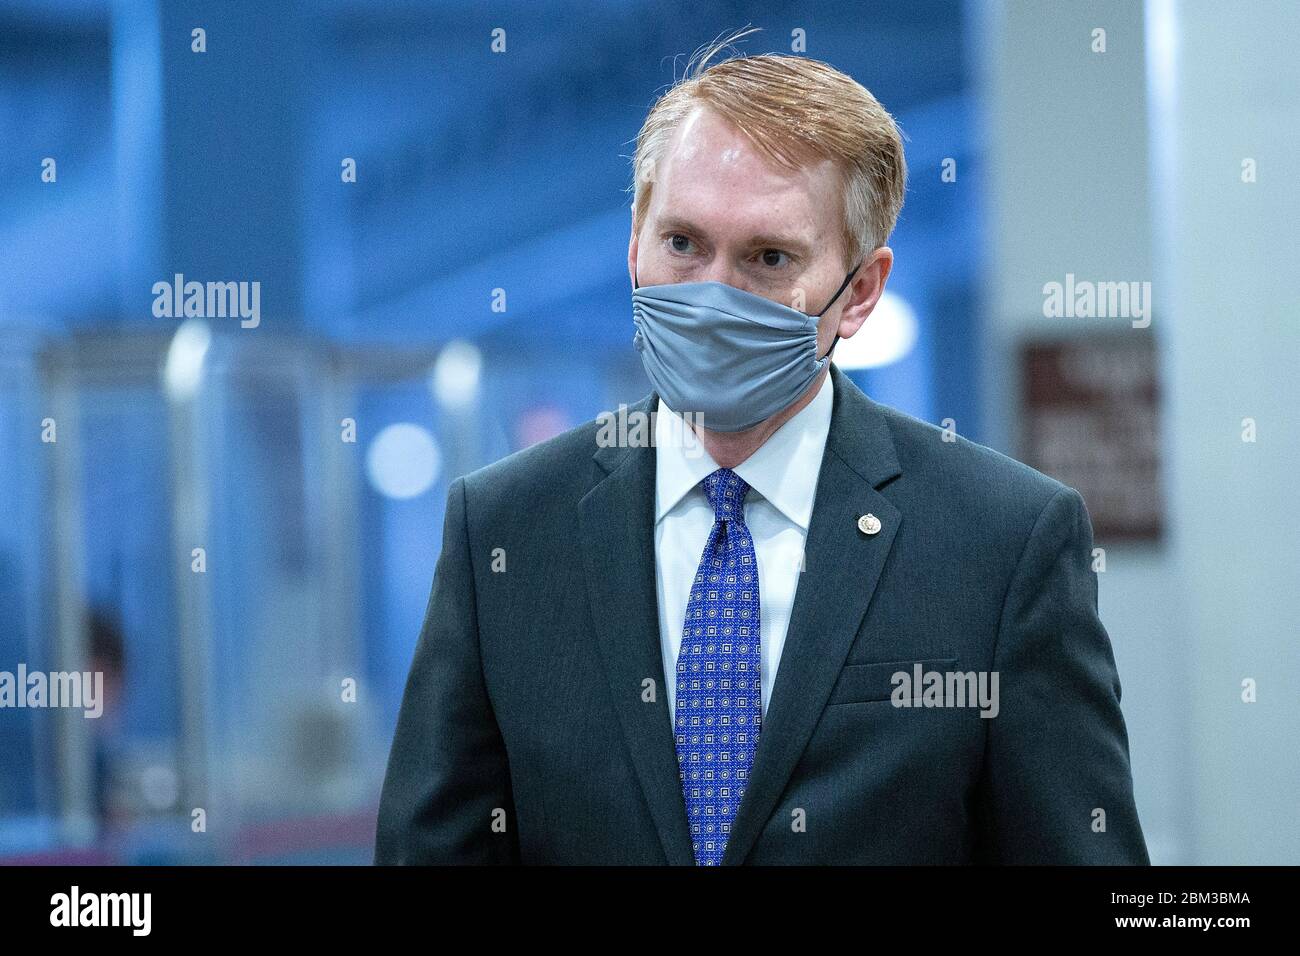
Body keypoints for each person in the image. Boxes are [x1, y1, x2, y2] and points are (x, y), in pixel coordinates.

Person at [375, 33, 1149, 866]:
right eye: (682, 244)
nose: (713, 296)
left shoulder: (1000, 542)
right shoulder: (504, 531)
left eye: (768, 257)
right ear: (633, 241)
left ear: (860, 291)